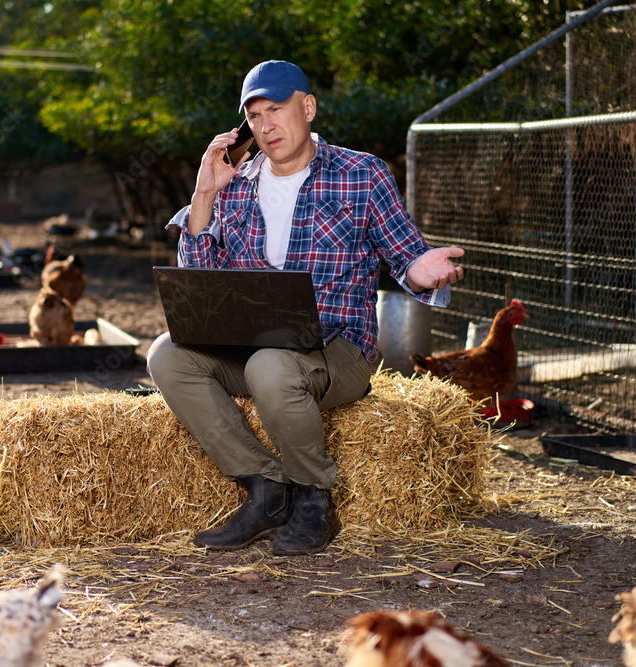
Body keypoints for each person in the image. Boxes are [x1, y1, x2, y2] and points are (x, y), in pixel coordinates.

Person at [147, 60, 464, 556]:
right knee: (166, 354)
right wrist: (205, 192)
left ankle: (315, 499)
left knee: (271, 367)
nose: (266, 124)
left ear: (308, 107)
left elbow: (406, 256)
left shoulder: (361, 175)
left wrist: (422, 271)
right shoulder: (238, 184)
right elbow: (199, 279)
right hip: (255, 346)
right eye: (254, 116)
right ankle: (266, 489)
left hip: (338, 351)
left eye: (276, 109)